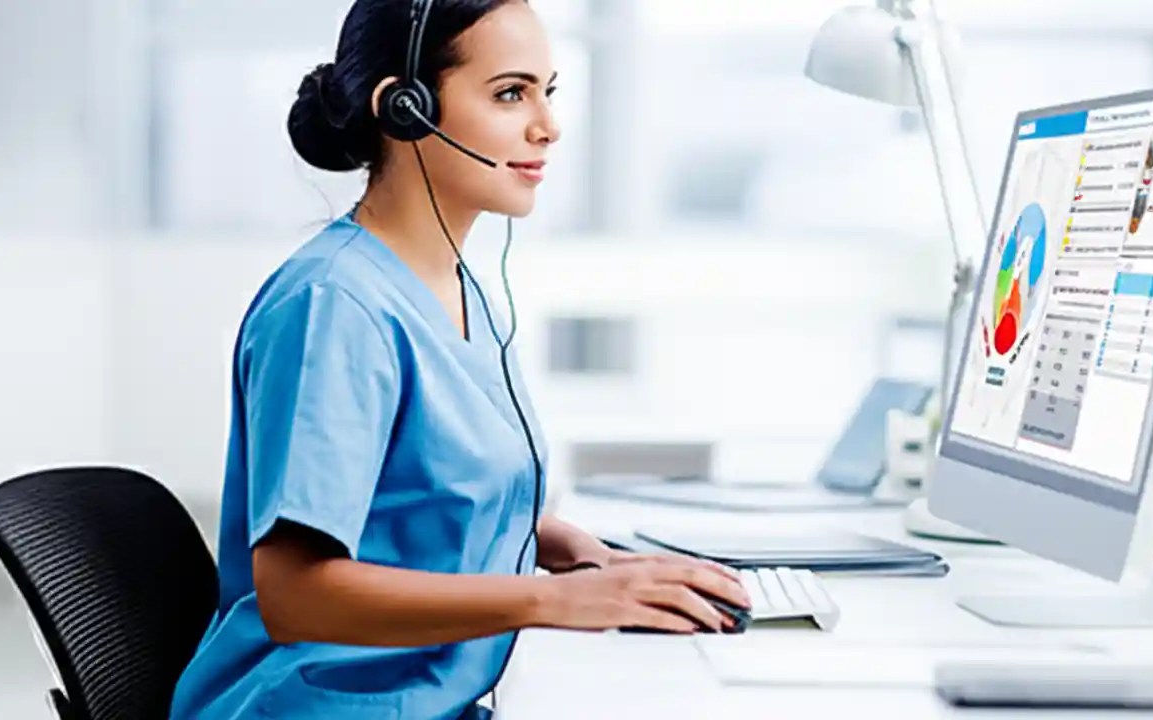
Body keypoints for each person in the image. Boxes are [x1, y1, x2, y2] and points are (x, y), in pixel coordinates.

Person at [168, 1, 750, 719]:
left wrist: (580, 554)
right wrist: (555, 600)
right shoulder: (335, 305)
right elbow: (297, 595)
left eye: (548, 90)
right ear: (406, 109)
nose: (548, 125)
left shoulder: (458, 285)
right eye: (510, 93)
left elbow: (420, 495)